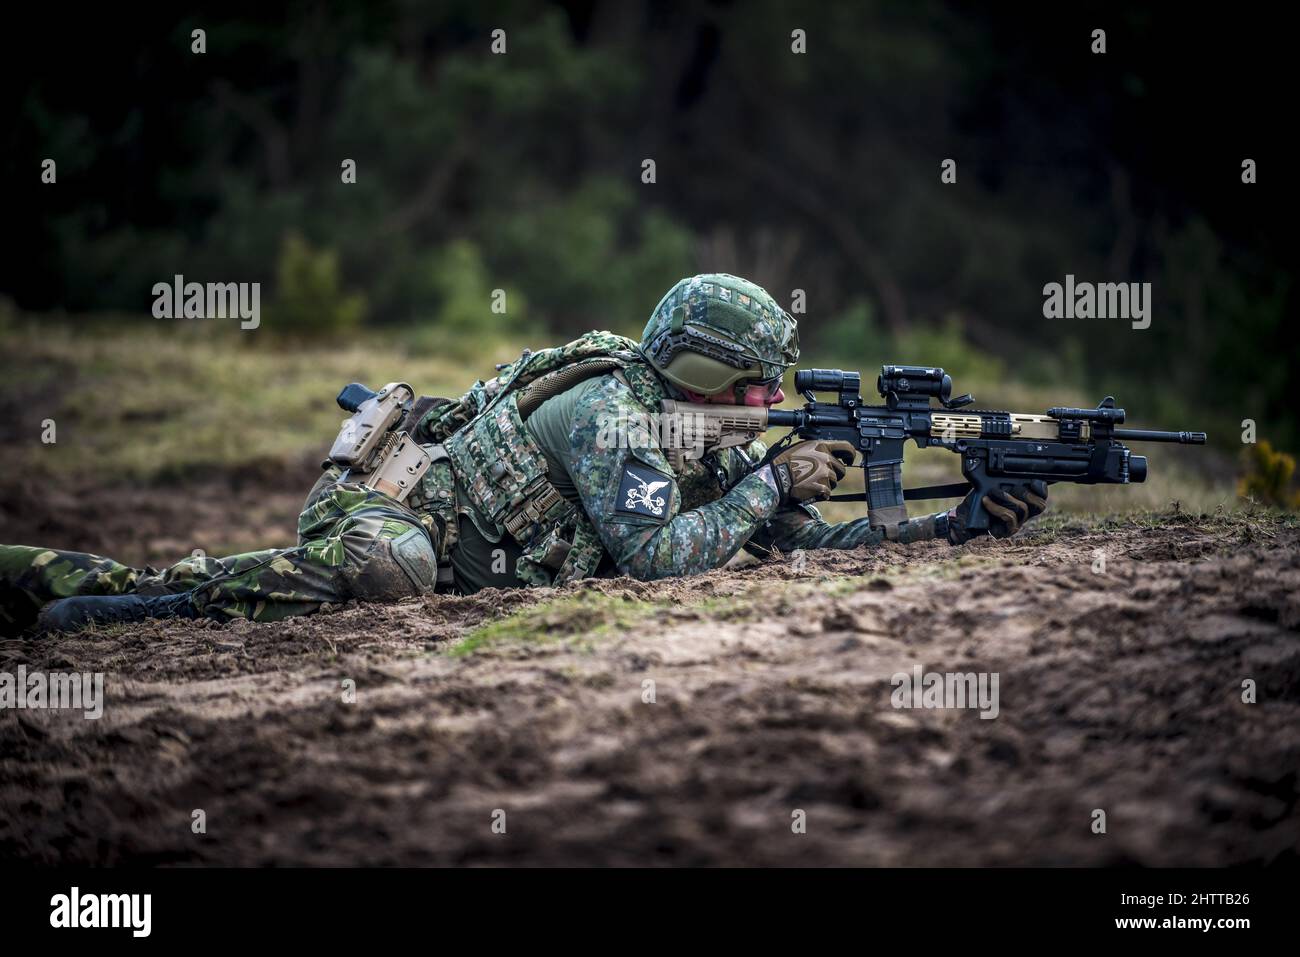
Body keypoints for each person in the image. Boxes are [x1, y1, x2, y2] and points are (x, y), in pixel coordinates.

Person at [0, 273, 1046, 636]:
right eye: (753, 385)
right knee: (384, 576)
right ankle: (124, 601)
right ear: (702, 375)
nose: (767, 402)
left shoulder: (694, 427)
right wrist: (773, 472)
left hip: (479, 562)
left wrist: (953, 525)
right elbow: (659, 558)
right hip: (397, 522)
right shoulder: (606, 412)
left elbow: (787, 546)